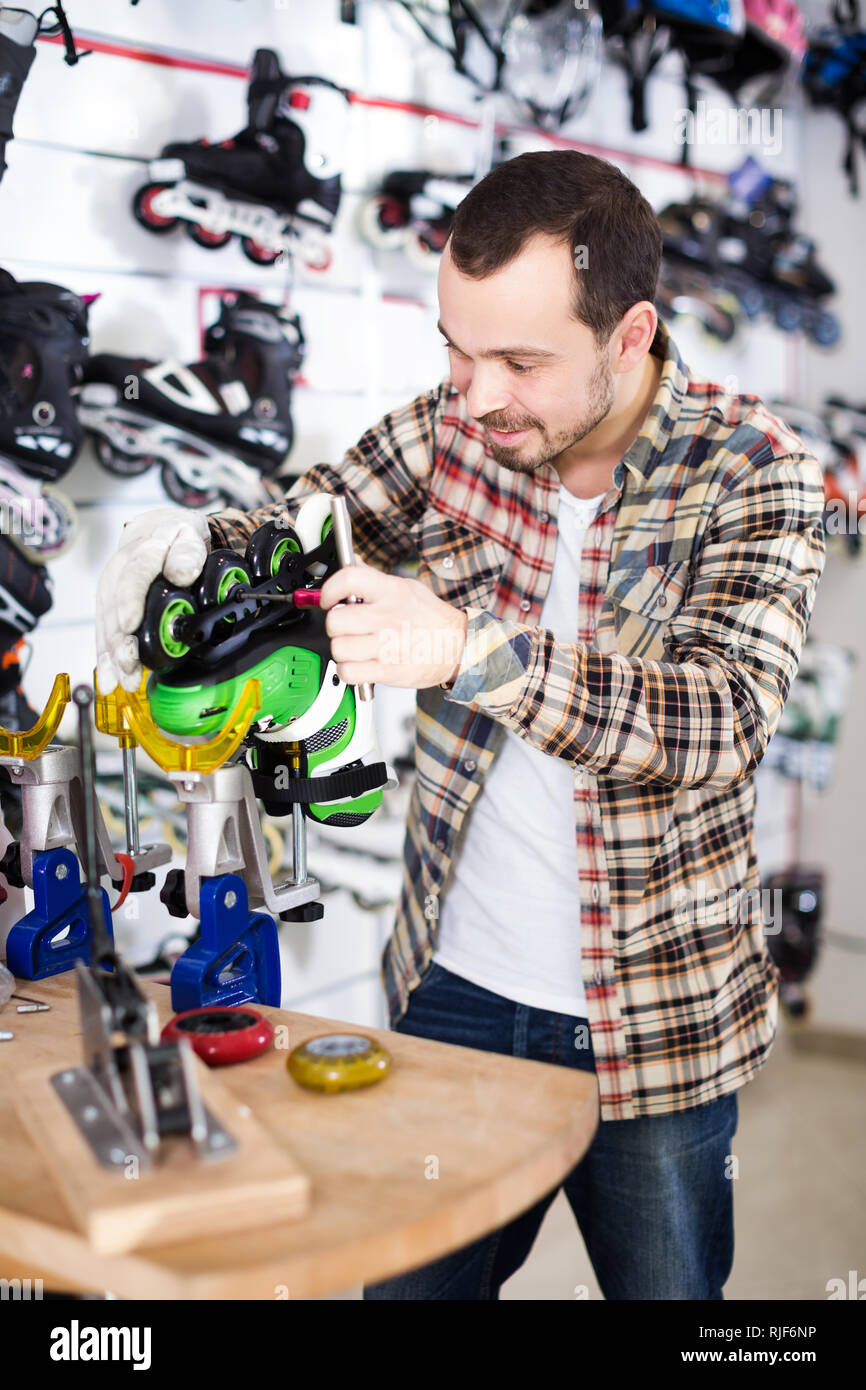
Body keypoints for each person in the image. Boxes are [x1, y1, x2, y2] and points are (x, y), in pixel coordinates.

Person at [96, 150, 825, 1300]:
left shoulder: (755, 473)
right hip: (454, 994)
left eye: (519, 361)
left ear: (629, 336)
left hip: (660, 1017)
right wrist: (191, 556)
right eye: (455, 347)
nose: (475, 394)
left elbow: (716, 721)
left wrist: (467, 651)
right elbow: (310, 522)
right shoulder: (455, 429)